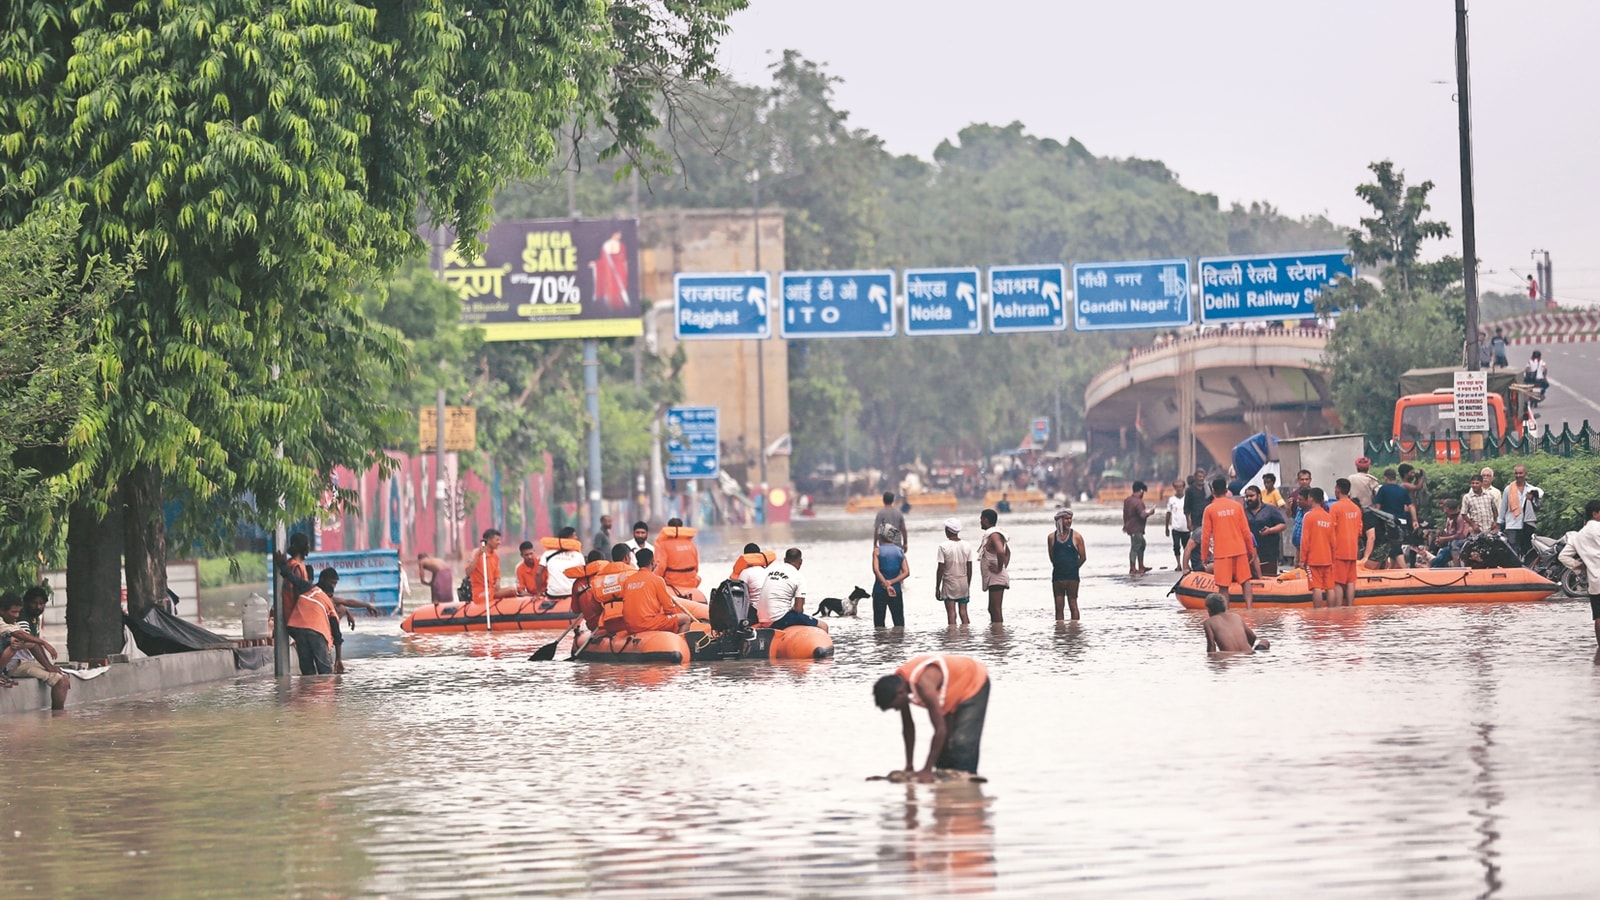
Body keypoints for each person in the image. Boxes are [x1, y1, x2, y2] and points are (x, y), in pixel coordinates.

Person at [873, 653, 991, 780]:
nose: (896, 709)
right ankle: (945, 786)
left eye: (894, 706)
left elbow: (940, 730)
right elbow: (908, 727)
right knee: (944, 748)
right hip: (953, 688)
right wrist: (909, 765)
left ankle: (968, 784)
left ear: (900, 693)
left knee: (961, 742)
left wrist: (926, 770)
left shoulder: (924, 686)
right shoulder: (899, 683)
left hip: (973, 681)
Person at [1, 593, 70, 709]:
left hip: (23, 662)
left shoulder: (13, 623)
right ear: (2, 610)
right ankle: (58, 717)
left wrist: (49, 666)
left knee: (63, 678)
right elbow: (20, 635)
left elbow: (30, 642)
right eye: (13, 612)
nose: (16, 615)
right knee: (59, 680)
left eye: (18, 612)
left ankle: (58, 718)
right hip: (13, 666)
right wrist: (42, 642)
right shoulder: (7, 623)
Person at [1201, 477, 1258, 609]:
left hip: (1222, 553)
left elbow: (1205, 536)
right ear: (1226, 490)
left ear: (1213, 491)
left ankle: (1225, 612)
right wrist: (1251, 550)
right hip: (1239, 550)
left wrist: (1204, 557)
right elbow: (1246, 531)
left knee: (1223, 586)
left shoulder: (1209, 509)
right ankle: (1249, 609)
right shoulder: (1237, 507)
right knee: (1245, 582)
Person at [313, 567, 380, 674]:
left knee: (341, 608)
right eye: (332, 583)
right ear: (323, 580)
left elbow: (345, 601)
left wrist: (361, 607)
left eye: (335, 584)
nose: (333, 586)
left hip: (317, 629)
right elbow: (342, 605)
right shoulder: (318, 593)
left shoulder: (323, 594)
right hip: (316, 631)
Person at [621, 548, 693, 634]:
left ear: (638, 564)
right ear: (652, 562)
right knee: (686, 619)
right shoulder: (657, 580)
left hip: (630, 626)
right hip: (648, 624)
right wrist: (674, 617)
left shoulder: (628, 581)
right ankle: (680, 644)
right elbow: (669, 608)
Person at [285, 567, 341, 675]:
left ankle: (308, 691)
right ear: (329, 595)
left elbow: (292, 578)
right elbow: (337, 634)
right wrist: (339, 658)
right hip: (316, 631)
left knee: (307, 672)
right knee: (326, 672)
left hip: (297, 629)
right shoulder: (328, 603)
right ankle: (323, 691)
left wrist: (282, 564)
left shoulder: (308, 589)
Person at [760, 548, 826, 632]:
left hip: (762, 617)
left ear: (784, 560)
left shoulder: (771, 571)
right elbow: (799, 609)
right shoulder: (798, 577)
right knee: (823, 626)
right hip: (777, 618)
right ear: (800, 561)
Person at [1565, 499, 1600, 645]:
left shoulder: (1577, 536)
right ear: (1595, 513)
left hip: (1595, 582)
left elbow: (1563, 556)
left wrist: (1579, 566)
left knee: (1598, 616)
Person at [1048, 507, 1087, 621]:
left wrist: (1074, 568)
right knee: (1058, 607)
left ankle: (1074, 630)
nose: (1069, 521)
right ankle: (1060, 632)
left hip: (1072, 577)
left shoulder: (1077, 537)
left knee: (1073, 604)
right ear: (1059, 520)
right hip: (1057, 576)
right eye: (1066, 519)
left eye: (1070, 518)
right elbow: (1052, 557)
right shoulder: (1051, 537)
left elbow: (1083, 557)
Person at [1300, 488, 1337, 608]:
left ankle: (1317, 614)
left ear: (1311, 498)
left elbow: (1305, 540)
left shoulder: (1308, 516)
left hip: (1313, 559)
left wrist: (1302, 559)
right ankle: (1332, 612)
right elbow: (1333, 541)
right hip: (1327, 558)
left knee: (1316, 588)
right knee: (1330, 588)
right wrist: (1333, 558)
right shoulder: (1328, 517)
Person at [1330, 479, 1365, 604]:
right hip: (1352, 550)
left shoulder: (1335, 508)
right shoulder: (1356, 509)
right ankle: (1350, 607)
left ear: (1338, 489)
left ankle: (1339, 609)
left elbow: (1331, 530)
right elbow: (1360, 531)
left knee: (1338, 582)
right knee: (1351, 581)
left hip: (1339, 550)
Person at [1499, 464, 1543, 560]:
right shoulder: (1508, 489)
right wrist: (1499, 523)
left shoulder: (1531, 489)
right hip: (1512, 525)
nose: (1518, 475)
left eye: (1520, 473)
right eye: (1516, 473)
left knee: (1527, 550)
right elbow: (1503, 508)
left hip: (1527, 525)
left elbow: (1537, 508)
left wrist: (1531, 499)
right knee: (1512, 552)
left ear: (1525, 474)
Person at [1373, 468, 1415, 568]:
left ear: (1385, 478)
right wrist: (1415, 520)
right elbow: (1411, 506)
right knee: (1394, 545)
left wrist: (1375, 520)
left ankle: (1405, 570)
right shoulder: (1402, 490)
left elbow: (1377, 507)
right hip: (1401, 523)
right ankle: (1390, 569)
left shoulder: (1383, 489)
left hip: (1388, 524)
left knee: (1395, 547)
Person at [935, 518, 973, 626]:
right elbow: (969, 567)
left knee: (951, 614)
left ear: (948, 530)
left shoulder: (943, 547)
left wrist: (937, 587)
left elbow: (940, 568)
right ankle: (966, 635)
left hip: (949, 582)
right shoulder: (967, 545)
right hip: (963, 582)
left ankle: (952, 638)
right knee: (964, 613)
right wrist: (967, 584)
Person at [1202, 592, 1269, 653]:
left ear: (1209, 609)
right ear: (1224, 606)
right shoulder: (1236, 617)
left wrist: (1210, 661)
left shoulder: (1209, 623)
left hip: (1230, 659)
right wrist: (1247, 652)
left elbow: (1211, 645)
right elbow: (1253, 636)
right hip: (1248, 655)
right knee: (1264, 642)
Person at [1243, 485, 1287, 576]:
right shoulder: (1243, 511)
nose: (1249, 499)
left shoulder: (1270, 510)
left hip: (1269, 553)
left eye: (1251, 496)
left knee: (1268, 581)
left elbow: (1282, 525)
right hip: (1250, 555)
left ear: (1259, 496)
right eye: (1247, 497)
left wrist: (1270, 530)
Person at [467, 529, 519, 606]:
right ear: (488, 540)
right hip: (481, 592)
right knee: (511, 590)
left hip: (492, 590)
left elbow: (497, 574)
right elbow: (468, 572)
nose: (499, 542)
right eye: (497, 540)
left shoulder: (495, 556)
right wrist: (478, 556)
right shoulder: (476, 553)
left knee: (513, 591)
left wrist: (497, 583)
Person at [977, 508, 1010, 623]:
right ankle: (995, 634)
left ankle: (998, 636)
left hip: (996, 577)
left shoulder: (994, 535)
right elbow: (1008, 552)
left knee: (995, 609)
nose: (980, 521)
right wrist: (1004, 565)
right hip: (994, 576)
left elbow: (1001, 552)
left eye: (981, 519)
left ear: (986, 520)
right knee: (992, 608)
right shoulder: (994, 534)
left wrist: (1000, 568)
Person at [653, 518, 702, 595]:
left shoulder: (664, 545)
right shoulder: (691, 545)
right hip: (691, 583)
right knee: (699, 578)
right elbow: (696, 568)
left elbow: (661, 567)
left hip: (672, 583)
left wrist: (653, 579)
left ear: (668, 528)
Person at [872, 534, 910, 628]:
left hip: (879, 590)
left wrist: (885, 583)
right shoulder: (900, 551)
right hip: (896, 590)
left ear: (881, 537)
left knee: (879, 624)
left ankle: (881, 642)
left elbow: (876, 570)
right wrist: (891, 582)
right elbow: (906, 572)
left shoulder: (877, 551)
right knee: (899, 623)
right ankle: (898, 642)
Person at [541, 527, 587, 602]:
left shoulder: (547, 554)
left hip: (552, 594)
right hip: (572, 593)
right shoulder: (578, 555)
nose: (576, 538)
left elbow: (538, 573)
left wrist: (538, 593)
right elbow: (583, 575)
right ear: (569, 538)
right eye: (574, 535)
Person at [1426, 499, 1471, 568]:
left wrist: (1445, 539)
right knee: (1441, 556)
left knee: (1454, 544)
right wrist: (1440, 539)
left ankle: (1457, 567)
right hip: (1451, 542)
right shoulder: (1449, 518)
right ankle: (1431, 565)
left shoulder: (1460, 517)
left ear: (1447, 508)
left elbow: (1460, 535)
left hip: (1463, 540)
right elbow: (1448, 531)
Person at [1122, 481, 1153, 575]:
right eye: (1143, 491)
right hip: (1136, 528)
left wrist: (1125, 524)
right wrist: (1150, 513)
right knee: (1135, 547)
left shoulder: (1127, 500)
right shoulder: (1139, 502)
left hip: (1130, 527)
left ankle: (1141, 566)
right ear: (1140, 491)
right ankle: (1132, 568)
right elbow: (1142, 515)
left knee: (1142, 544)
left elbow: (1125, 513)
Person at [1165, 479, 1190, 566]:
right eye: (1177, 487)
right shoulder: (1171, 500)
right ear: (1174, 488)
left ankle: (1186, 564)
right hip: (1175, 528)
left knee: (1187, 547)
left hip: (1186, 527)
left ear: (1183, 487)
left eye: (1180, 487)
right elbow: (1168, 513)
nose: (1179, 489)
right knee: (1176, 546)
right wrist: (1166, 528)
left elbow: (1190, 512)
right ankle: (1178, 563)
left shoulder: (1187, 499)